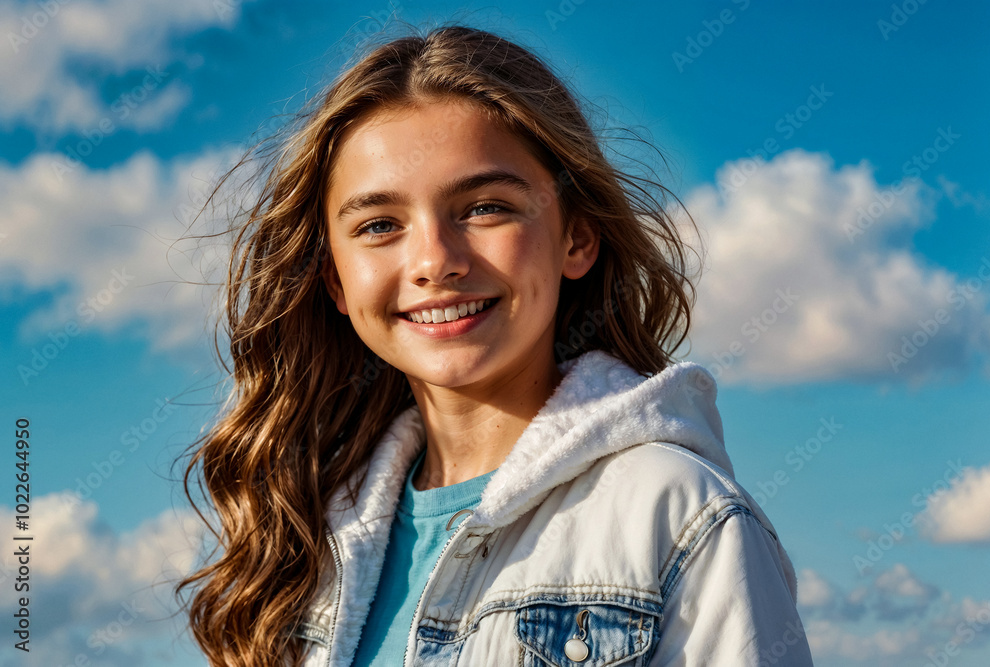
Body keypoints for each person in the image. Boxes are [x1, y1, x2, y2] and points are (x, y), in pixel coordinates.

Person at [177, 22, 814, 667]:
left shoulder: (679, 513)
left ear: (576, 238)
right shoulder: (306, 546)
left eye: (485, 208)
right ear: (336, 281)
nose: (434, 261)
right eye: (379, 224)